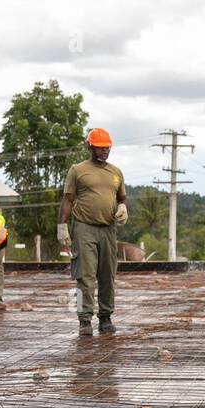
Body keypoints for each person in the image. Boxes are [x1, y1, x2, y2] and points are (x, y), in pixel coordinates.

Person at [59, 128, 128, 336]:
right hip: (83, 228)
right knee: (84, 277)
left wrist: (123, 207)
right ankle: (84, 320)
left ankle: (106, 317)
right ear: (89, 147)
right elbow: (68, 200)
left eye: (106, 148)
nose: (104, 152)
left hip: (108, 229)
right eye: (99, 148)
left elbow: (122, 197)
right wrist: (62, 227)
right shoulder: (77, 170)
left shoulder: (115, 172)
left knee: (108, 275)